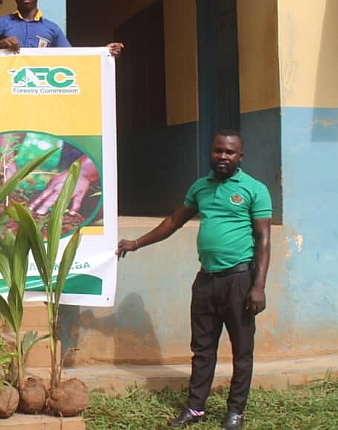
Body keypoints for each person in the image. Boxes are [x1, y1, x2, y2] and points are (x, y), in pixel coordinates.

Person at [116, 130, 271, 430]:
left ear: (240, 157)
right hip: (205, 282)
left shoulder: (254, 189)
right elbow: (174, 221)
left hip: (239, 280)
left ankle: (235, 412)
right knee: (202, 350)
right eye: (217, 151)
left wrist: (259, 286)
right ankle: (195, 408)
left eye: (229, 152)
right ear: (210, 153)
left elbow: (263, 239)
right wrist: (135, 244)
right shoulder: (201, 188)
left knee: (242, 351)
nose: (222, 157)